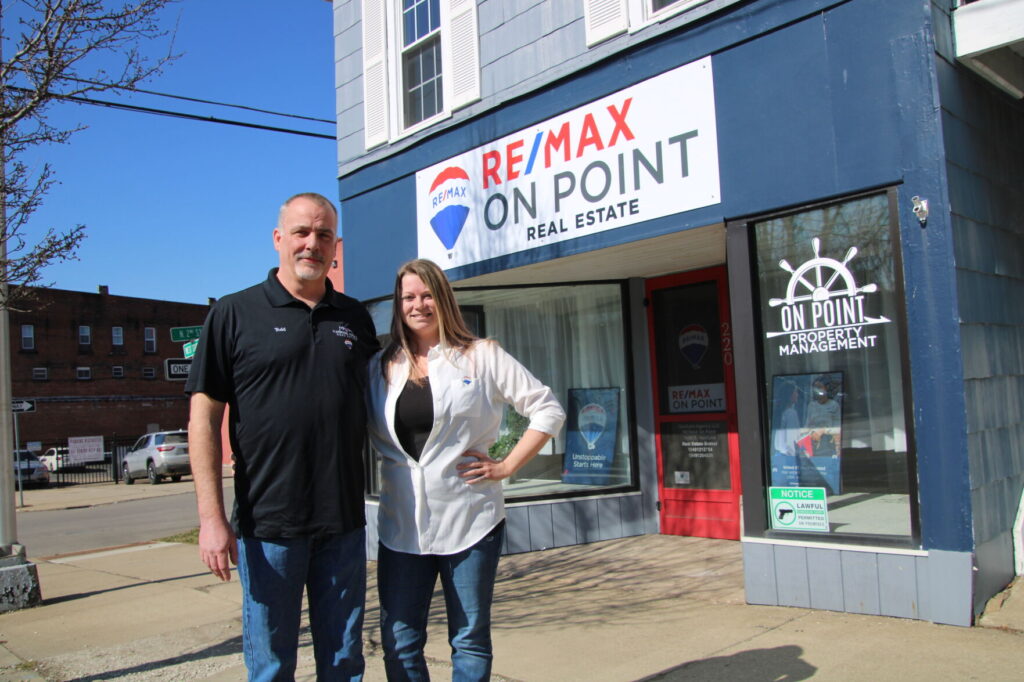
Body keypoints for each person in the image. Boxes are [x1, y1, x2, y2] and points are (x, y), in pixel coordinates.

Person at [185, 192, 379, 681]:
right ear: (278, 239)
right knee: (271, 666)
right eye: (301, 232)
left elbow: (384, 402)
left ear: (335, 245)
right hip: (268, 525)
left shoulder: (354, 318)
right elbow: (202, 421)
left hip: (342, 522)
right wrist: (210, 519)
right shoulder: (233, 314)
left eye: (324, 235)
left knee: (344, 662)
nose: (312, 243)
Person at [367, 259, 565, 681]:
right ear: (398, 305)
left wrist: (507, 465)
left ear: (443, 299)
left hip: (471, 521)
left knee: (469, 638)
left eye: (427, 295)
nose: (418, 305)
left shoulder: (481, 356)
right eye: (408, 297)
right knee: (399, 641)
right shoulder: (380, 367)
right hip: (402, 527)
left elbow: (547, 408)